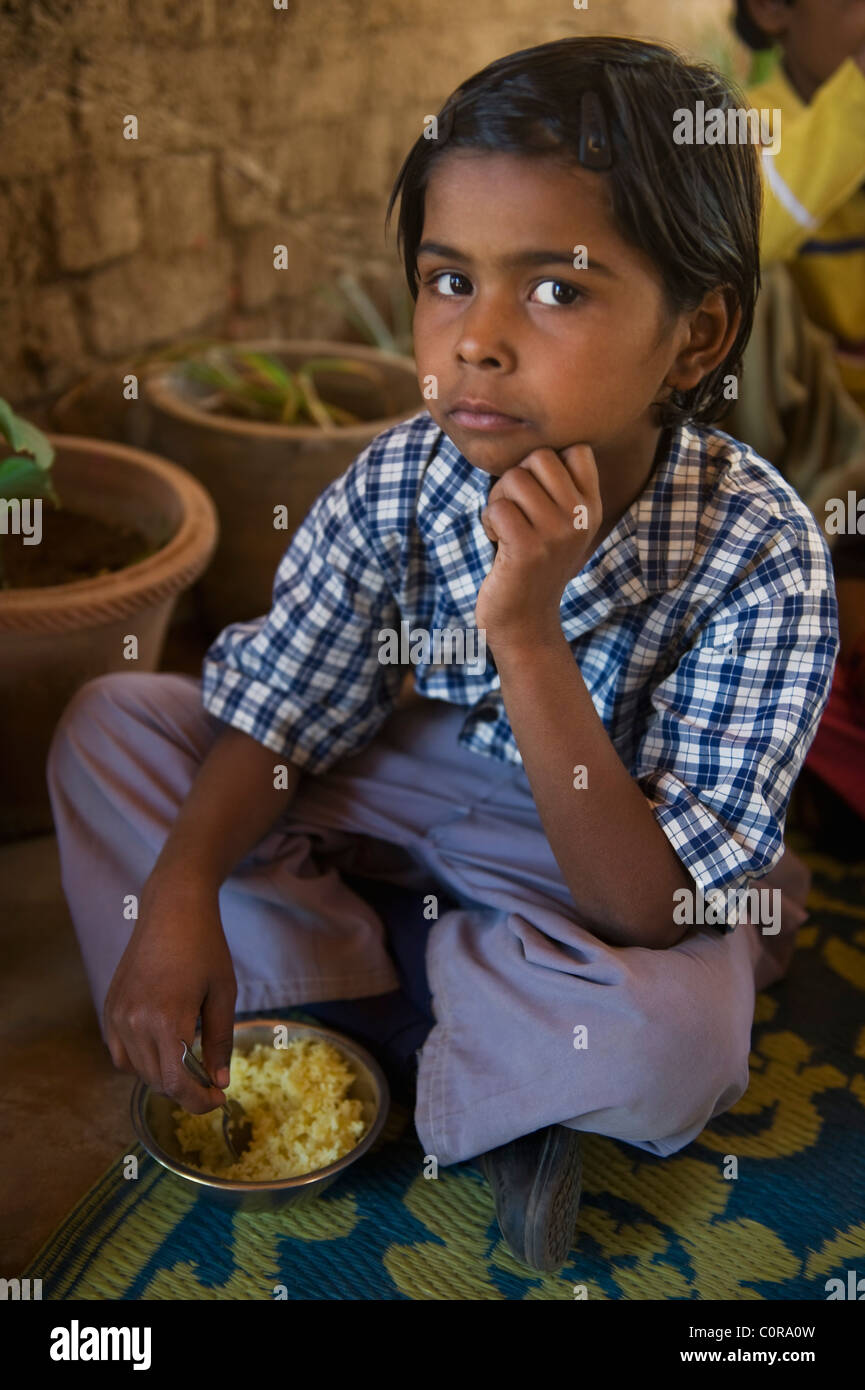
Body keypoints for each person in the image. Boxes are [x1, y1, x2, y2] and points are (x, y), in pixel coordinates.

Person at [47, 36, 839, 1277]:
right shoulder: (400, 480)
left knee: (677, 1043)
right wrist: (183, 890)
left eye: (556, 290)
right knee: (114, 728)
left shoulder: (761, 555)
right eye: (447, 279)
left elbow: (641, 906)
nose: (476, 340)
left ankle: (365, 994)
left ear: (695, 339)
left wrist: (525, 629)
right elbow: (285, 706)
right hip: (425, 784)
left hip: (609, 855)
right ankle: (472, 1040)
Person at [727, 0, 865, 844]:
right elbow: (750, 235)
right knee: (749, 294)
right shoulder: (747, 132)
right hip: (820, 459)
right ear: (775, 10)